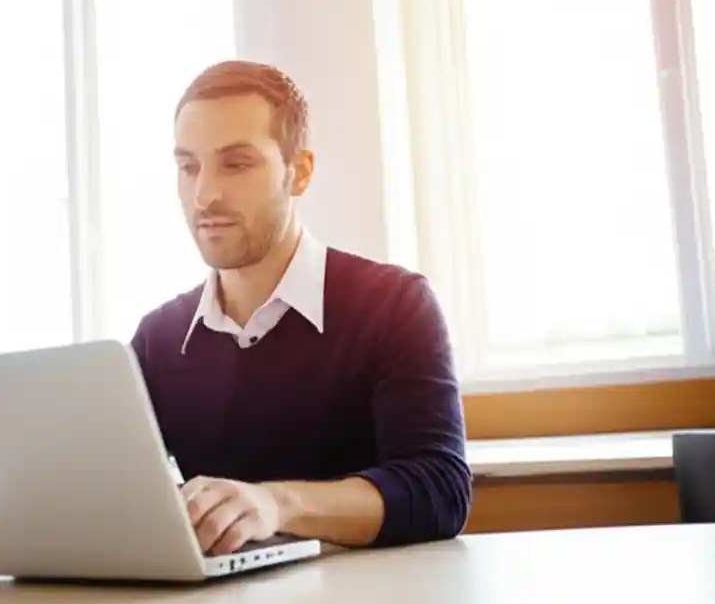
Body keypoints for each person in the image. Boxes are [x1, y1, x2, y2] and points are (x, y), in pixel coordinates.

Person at [131, 60, 471, 555]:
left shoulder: (395, 305)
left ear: (300, 172)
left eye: (237, 163)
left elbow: (440, 490)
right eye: (189, 167)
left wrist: (277, 505)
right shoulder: (157, 340)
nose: (204, 194)